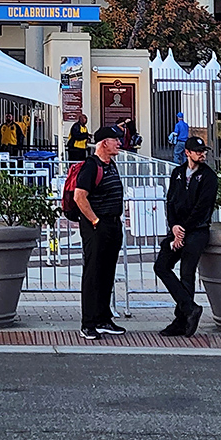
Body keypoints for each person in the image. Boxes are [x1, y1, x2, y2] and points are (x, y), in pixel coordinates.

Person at [154, 136, 218, 337]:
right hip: (177, 230)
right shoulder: (178, 173)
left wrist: (183, 230)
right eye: (197, 151)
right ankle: (189, 308)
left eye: (203, 151)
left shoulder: (208, 176)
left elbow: (202, 208)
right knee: (161, 266)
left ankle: (182, 320)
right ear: (187, 153)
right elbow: (170, 201)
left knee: (187, 273)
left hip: (197, 230)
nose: (202, 154)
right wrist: (174, 227)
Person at [73, 125, 127, 340]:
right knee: (93, 273)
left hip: (113, 224)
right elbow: (79, 197)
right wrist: (95, 220)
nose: (120, 144)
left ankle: (104, 318)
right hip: (97, 225)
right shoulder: (90, 166)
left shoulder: (110, 165)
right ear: (104, 143)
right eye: (116, 140)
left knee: (107, 273)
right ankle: (88, 323)